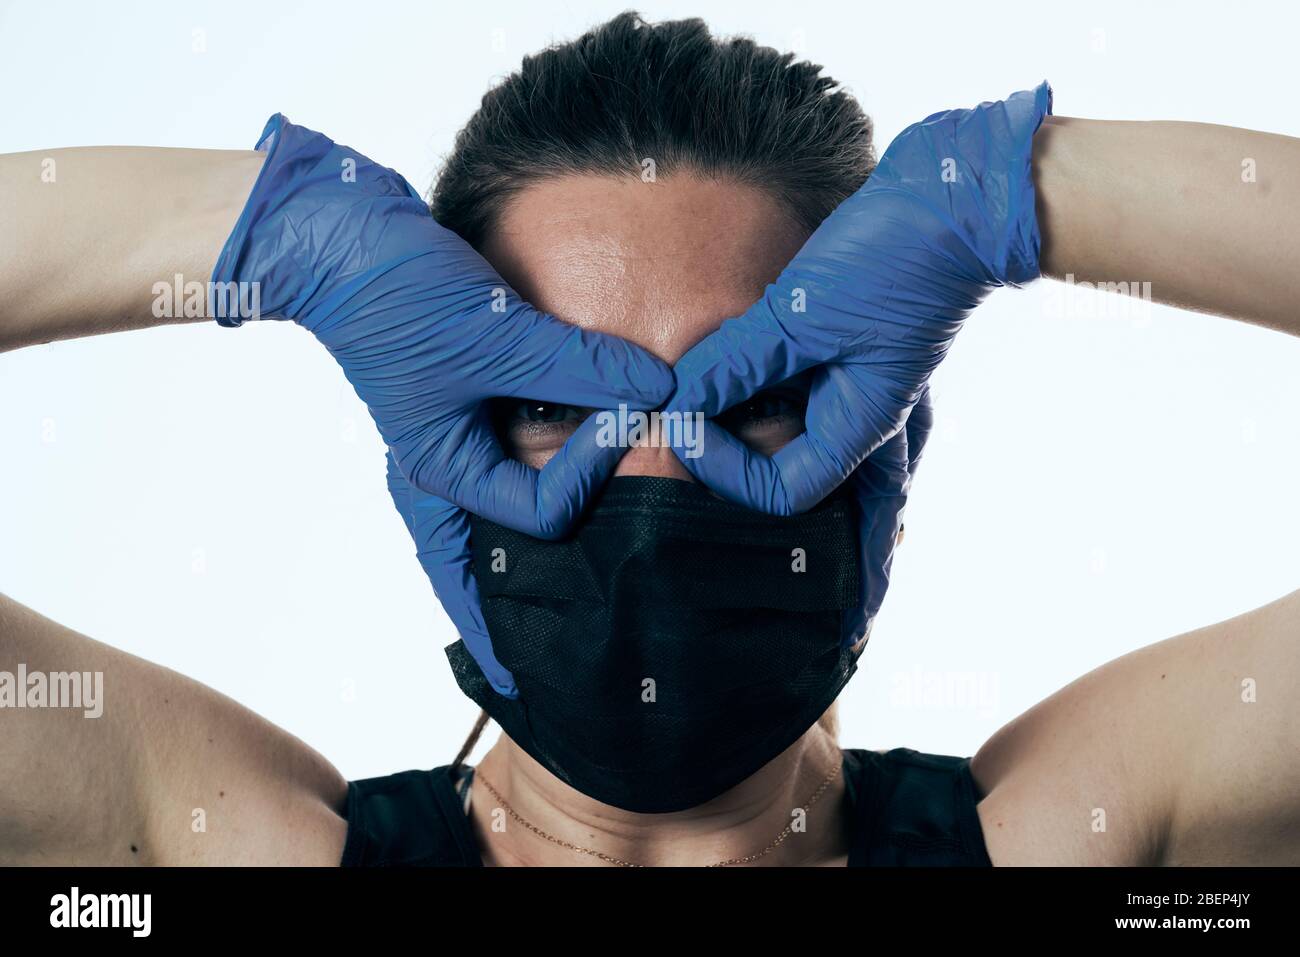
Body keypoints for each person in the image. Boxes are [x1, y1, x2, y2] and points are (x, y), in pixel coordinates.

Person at [1, 12, 1297, 866]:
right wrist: (273, 233)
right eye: (557, 404)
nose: (654, 473)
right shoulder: (212, 842)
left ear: (885, 462)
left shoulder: (1085, 838)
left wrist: (1015, 194)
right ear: (425, 462)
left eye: (746, 398)